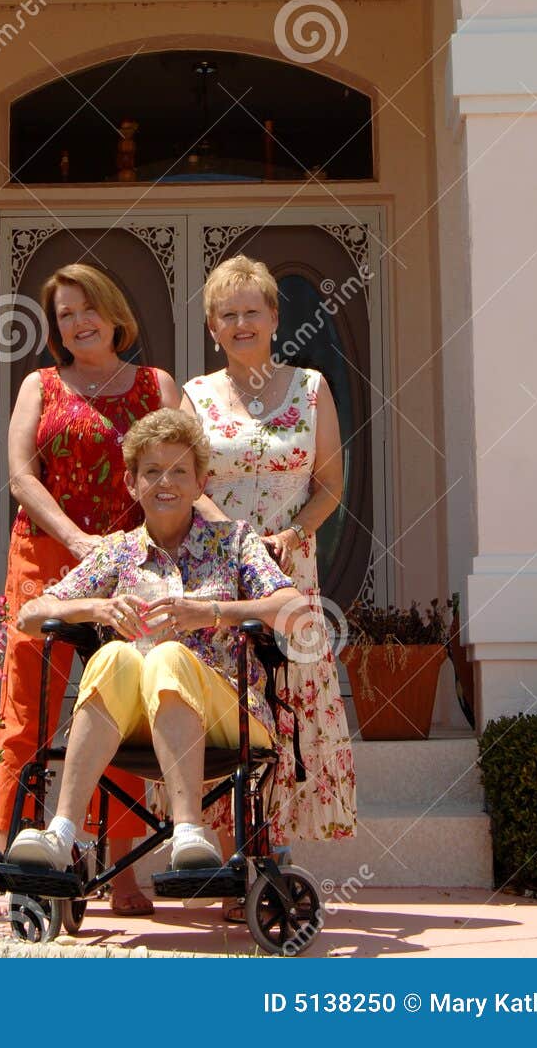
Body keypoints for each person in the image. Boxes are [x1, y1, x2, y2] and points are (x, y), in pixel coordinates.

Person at [7, 406, 303, 874]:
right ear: (132, 483)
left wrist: (210, 613)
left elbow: (295, 609)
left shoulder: (234, 540)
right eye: (152, 471)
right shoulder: (117, 551)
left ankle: (188, 831)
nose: (166, 482)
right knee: (112, 657)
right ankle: (61, 834)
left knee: (168, 656)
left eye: (179, 471)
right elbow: (30, 615)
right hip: (136, 722)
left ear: (200, 482)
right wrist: (95, 608)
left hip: (232, 718)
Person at [0, 263, 179, 919]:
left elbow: (182, 472)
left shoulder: (156, 385)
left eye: (86, 308)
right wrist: (74, 538)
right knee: (27, 714)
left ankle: (123, 874)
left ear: (114, 312)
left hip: (129, 569)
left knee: (119, 711)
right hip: (43, 561)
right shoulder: (39, 385)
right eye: (64, 314)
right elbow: (20, 475)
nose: (77, 322)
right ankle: (13, 866)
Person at [182, 254, 357, 856]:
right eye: (227, 315)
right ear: (212, 329)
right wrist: (234, 537)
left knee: (283, 703)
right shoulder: (196, 397)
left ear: (275, 317)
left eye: (251, 311)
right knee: (226, 707)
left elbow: (330, 484)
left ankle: (269, 846)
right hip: (217, 575)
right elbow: (185, 485)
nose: (241, 323)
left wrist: (296, 531)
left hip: (289, 572)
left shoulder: (312, 389)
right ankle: (224, 848)